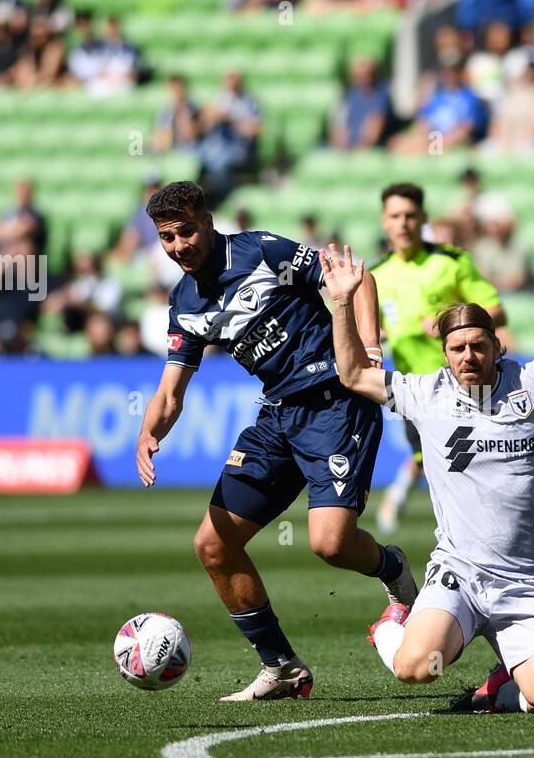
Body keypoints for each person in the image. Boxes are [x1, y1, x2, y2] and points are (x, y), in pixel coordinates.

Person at [322, 250, 534, 714]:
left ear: (498, 347)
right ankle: (391, 625)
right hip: (459, 575)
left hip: (524, 583)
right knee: (417, 668)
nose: (469, 356)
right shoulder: (425, 394)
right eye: (458, 348)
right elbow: (354, 374)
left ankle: (497, 690)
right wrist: (341, 303)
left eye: (478, 346)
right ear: (445, 354)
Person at [134, 181, 417, 701]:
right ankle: (282, 666)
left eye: (187, 231)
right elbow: (170, 393)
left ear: (208, 221)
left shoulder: (261, 251)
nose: (179, 246)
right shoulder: (184, 305)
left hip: (335, 402)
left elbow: (358, 280)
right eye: (167, 237)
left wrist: (370, 350)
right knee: (213, 545)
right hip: (277, 415)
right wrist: (149, 433)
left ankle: (393, 567)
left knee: (330, 544)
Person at [369, 182, 506, 534]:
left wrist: (449, 324)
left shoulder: (451, 262)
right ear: (384, 221)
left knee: (468, 461)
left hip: (465, 381)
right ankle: (459, 532)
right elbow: (369, 331)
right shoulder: (378, 276)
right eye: (395, 216)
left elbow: (496, 311)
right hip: (414, 388)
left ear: (423, 219)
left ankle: (413, 507)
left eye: (410, 215)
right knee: (432, 460)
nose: (403, 224)